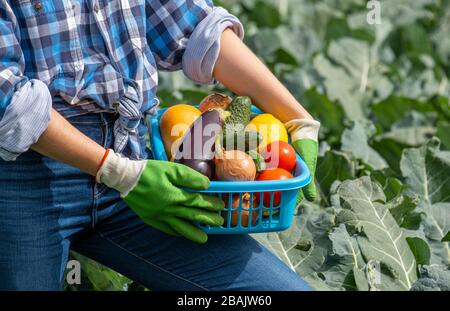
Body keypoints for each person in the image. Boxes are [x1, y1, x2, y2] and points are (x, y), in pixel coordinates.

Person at [0, 0, 320, 290]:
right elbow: (8, 100)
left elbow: (192, 25)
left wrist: (298, 120)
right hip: (24, 175)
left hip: (138, 154)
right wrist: (120, 173)